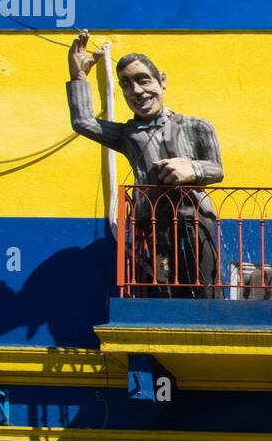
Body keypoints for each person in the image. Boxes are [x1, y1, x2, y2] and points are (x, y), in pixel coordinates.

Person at [66, 30, 223, 297]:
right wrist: (78, 77)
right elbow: (84, 122)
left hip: (194, 216)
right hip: (153, 222)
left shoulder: (196, 126)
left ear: (161, 81)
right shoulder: (128, 134)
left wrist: (191, 169)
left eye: (142, 80)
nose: (137, 91)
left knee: (205, 280)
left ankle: (211, 318)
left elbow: (217, 170)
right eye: (127, 84)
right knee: (162, 283)